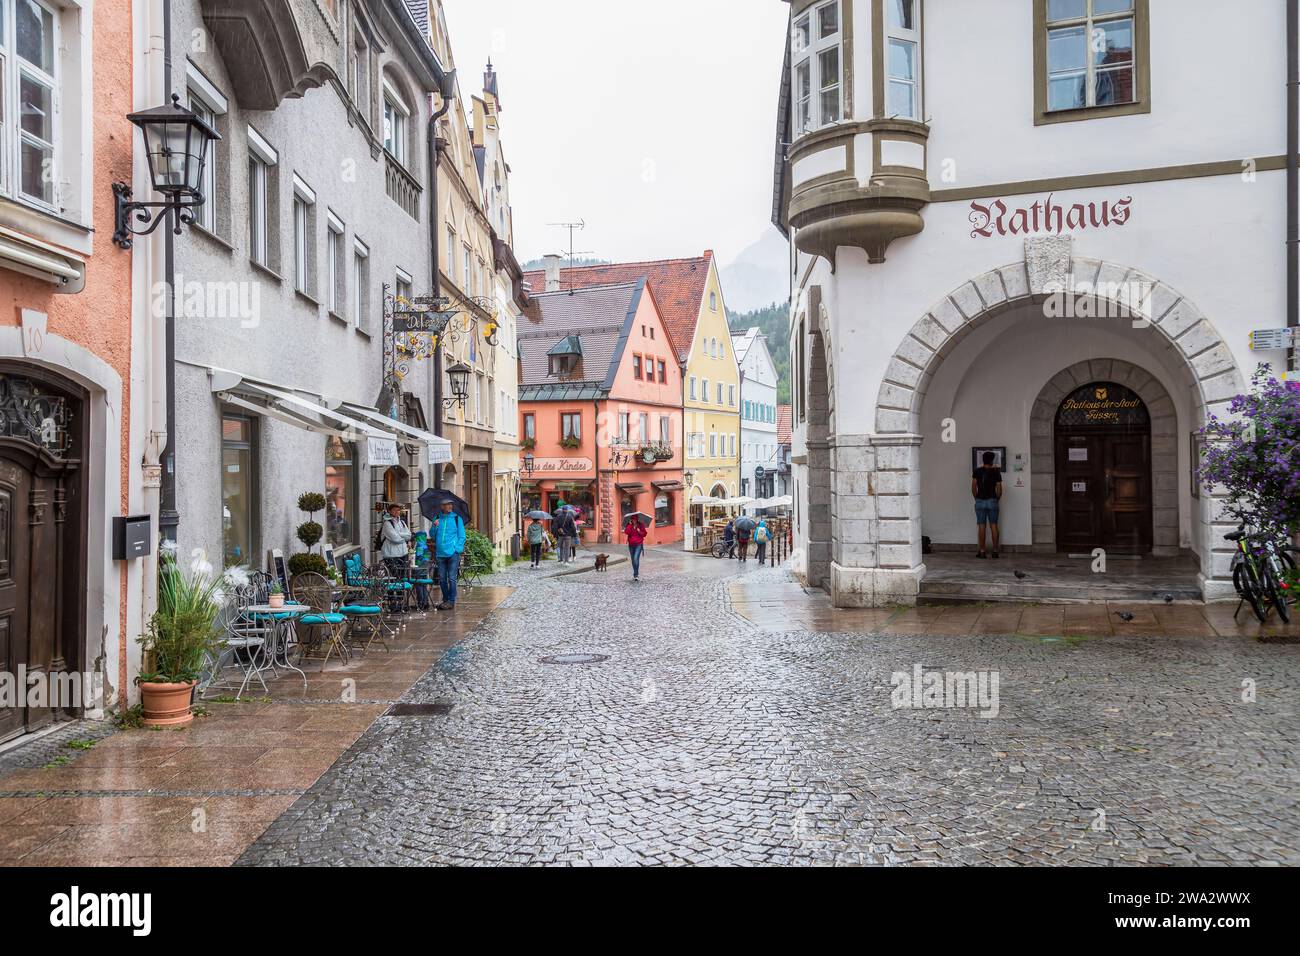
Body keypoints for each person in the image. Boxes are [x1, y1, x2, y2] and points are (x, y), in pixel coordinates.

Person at [432, 500, 466, 609]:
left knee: (451, 578)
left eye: (451, 504)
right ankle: (445, 600)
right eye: (447, 504)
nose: (450, 506)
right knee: (442, 579)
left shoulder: (457, 518)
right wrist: (434, 526)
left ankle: (451, 601)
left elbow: (462, 536)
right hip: (440, 553)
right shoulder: (437, 518)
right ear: (442, 506)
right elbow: (432, 535)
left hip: (453, 553)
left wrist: (457, 549)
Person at [379, 504, 412, 612]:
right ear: (390, 511)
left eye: (398, 510)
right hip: (391, 555)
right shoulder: (387, 523)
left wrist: (400, 535)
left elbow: (409, 535)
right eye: (395, 510)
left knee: (402, 578)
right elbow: (394, 538)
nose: (397, 512)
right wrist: (403, 537)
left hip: (403, 554)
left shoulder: (402, 522)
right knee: (392, 578)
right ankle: (392, 602)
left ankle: (401, 602)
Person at [972, 451, 1004, 559]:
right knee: (994, 525)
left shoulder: (977, 471)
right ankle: (995, 551)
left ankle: (982, 551)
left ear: (983, 460)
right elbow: (999, 489)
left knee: (981, 526)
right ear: (992, 461)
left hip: (980, 501)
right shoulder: (996, 472)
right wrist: (996, 499)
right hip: (992, 501)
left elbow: (973, 487)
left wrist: (977, 498)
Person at [623, 513, 648, 581]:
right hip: (631, 545)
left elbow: (645, 534)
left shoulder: (641, 525)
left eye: (635, 519)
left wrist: (639, 531)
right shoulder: (629, 525)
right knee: (633, 560)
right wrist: (630, 525)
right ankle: (635, 574)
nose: (634, 520)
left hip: (639, 544)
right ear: (631, 519)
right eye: (633, 519)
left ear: (637, 519)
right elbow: (626, 532)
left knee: (635, 558)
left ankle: (636, 574)